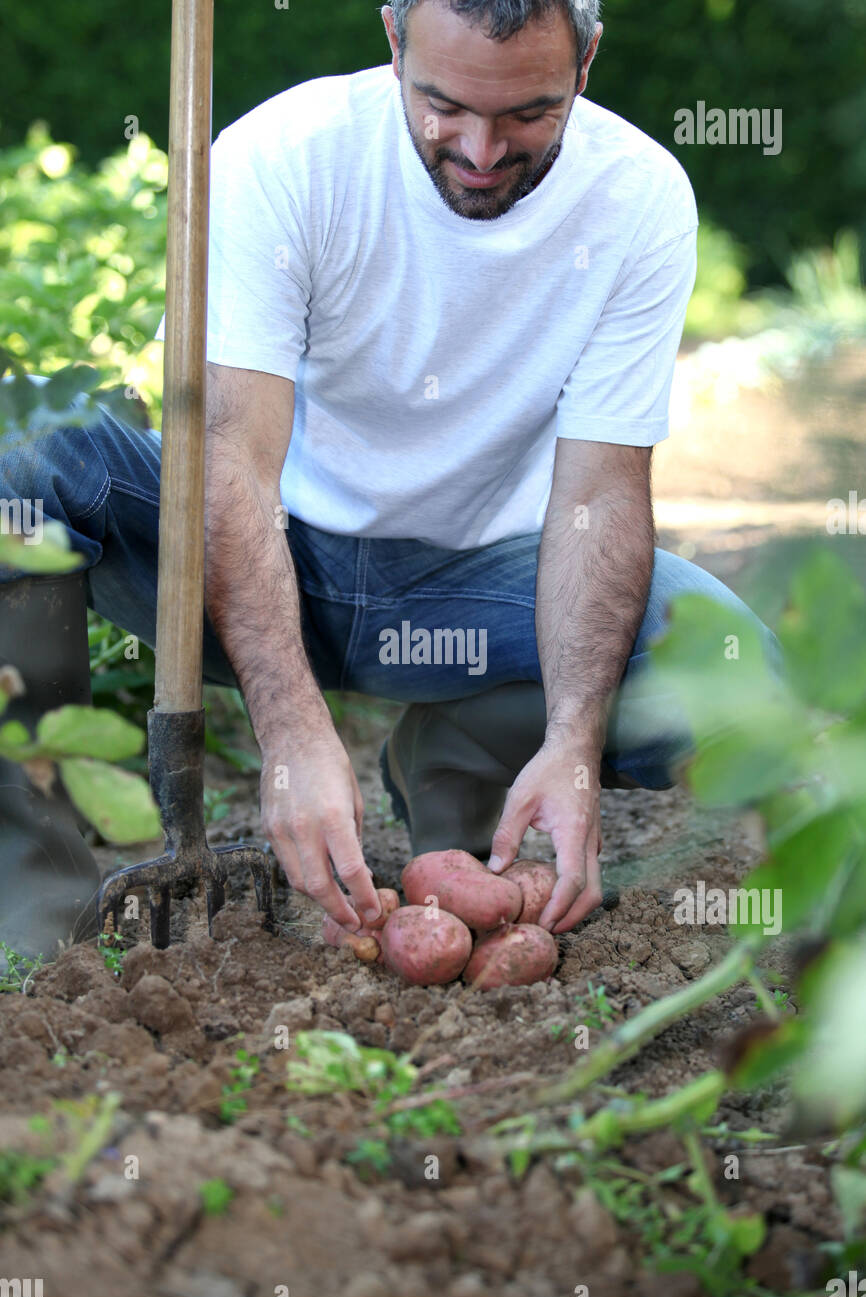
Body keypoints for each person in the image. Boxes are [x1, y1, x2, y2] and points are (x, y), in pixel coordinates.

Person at [0, 0, 777, 969]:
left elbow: (600, 496)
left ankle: (455, 763)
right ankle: (30, 914)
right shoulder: (283, 157)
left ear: (585, 60)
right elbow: (231, 465)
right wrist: (285, 728)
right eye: (443, 105)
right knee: (20, 443)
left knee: (737, 669)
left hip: (472, 583)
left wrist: (574, 740)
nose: (482, 150)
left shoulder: (638, 197)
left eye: (527, 114)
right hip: (229, 559)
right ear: (393, 40)